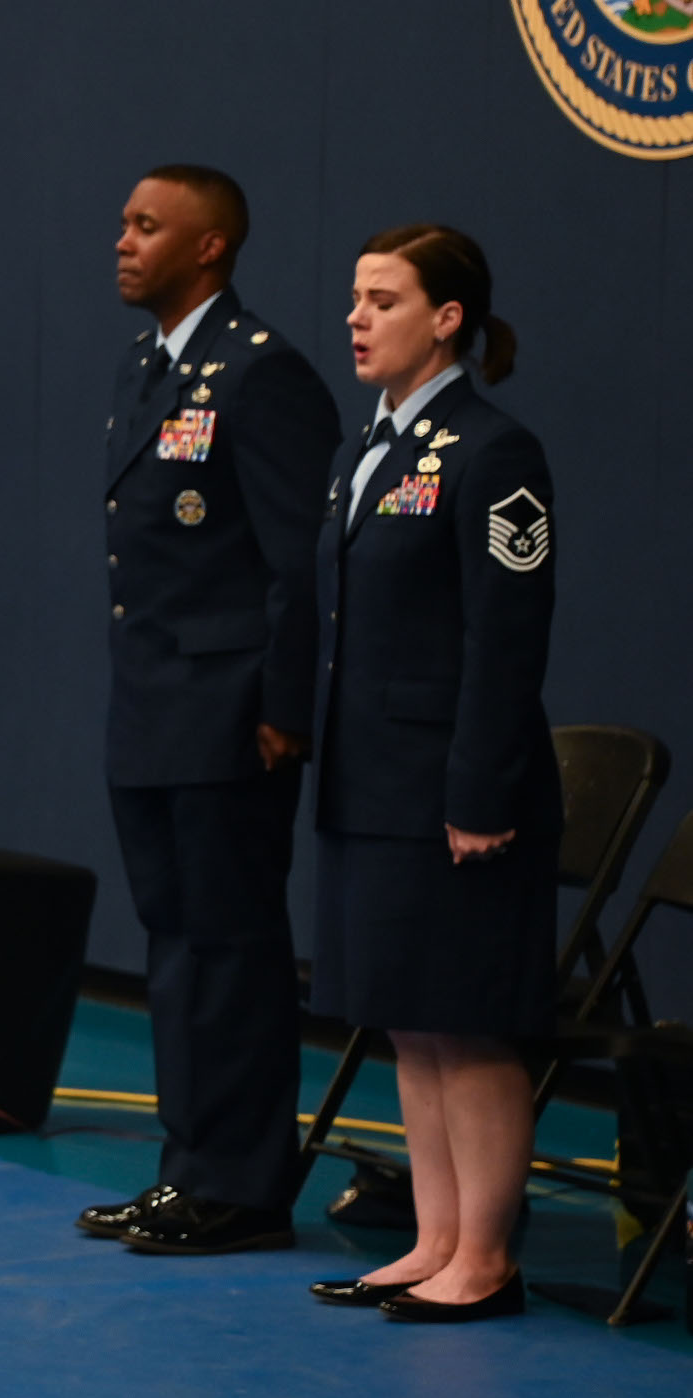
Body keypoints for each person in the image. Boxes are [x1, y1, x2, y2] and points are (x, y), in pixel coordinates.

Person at [78, 166, 341, 1254]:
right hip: (151, 704)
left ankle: (239, 1184)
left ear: (209, 247)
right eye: (122, 220)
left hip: (232, 712)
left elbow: (299, 560)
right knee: (174, 943)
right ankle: (186, 1166)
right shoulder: (150, 370)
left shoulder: (260, 375)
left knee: (230, 946)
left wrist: (283, 705)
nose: (121, 240)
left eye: (145, 225)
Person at [305, 225, 559, 1322]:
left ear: (445, 317)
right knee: (409, 1017)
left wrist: (476, 794)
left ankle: (487, 1257)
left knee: (466, 1019)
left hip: (453, 793)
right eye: (354, 297)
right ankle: (436, 1237)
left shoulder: (494, 451)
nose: (356, 318)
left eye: (383, 299)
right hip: (370, 781)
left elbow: (505, 641)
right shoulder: (368, 448)